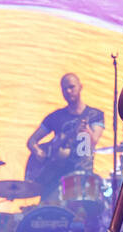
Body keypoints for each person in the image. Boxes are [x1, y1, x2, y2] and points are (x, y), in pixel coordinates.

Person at [25, 73, 105, 203]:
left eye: (71, 87)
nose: (68, 91)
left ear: (80, 87)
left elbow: (94, 142)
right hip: (54, 178)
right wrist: (39, 152)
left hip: (81, 177)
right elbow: (31, 141)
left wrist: (86, 130)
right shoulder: (55, 117)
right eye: (64, 89)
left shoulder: (95, 115)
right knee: (47, 214)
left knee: (79, 216)